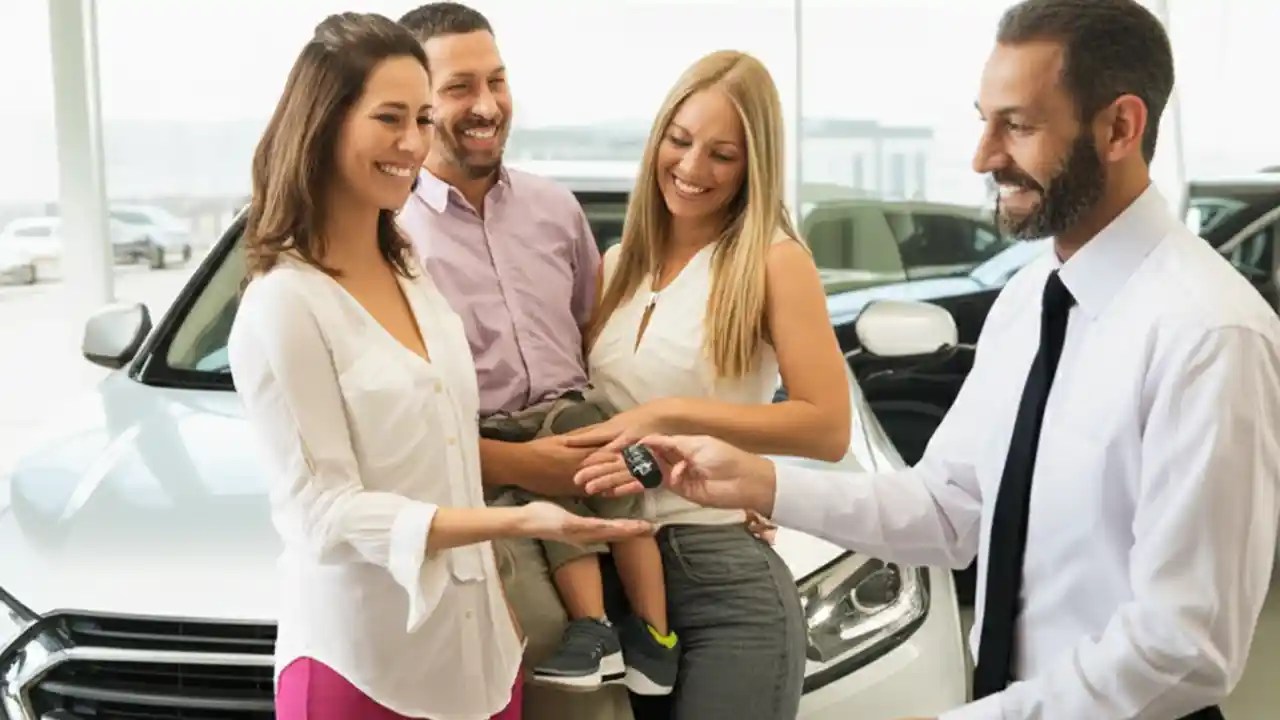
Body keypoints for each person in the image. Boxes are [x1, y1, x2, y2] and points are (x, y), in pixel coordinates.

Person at [617, 2, 1280, 719]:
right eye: (984, 121)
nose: (983, 156)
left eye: (1018, 126)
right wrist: (758, 481)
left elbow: (1183, 646)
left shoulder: (1212, 332)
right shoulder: (1030, 300)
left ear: (1120, 127)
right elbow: (944, 511)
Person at [227, 13, 649, 720]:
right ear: (324, 124)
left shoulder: (411, 270)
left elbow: (454, 442)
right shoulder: (285, 303)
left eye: (422, 118)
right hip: (366, 667)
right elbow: (323, 516)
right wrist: (515, 525)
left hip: (482, 661)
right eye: (389, 117)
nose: (413, 141)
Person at [568, 49, 852, 720]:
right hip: (613, 579)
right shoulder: (614, 268)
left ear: (754, 164)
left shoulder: (774, 261)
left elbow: (828, 426)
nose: (693, 169)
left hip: (722, 578)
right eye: (681, 140)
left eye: (722, 155)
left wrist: (672, 418)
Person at [395, 4, 653, 719]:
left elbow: (600, 346)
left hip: (598, 464)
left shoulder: (556, 209)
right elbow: (400, 423)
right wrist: (526, 466)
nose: (486, 106)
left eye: (497, 80)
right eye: (458, 88)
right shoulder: (389, 237)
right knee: (563, 687)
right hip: (485, 489)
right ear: (417, 105)